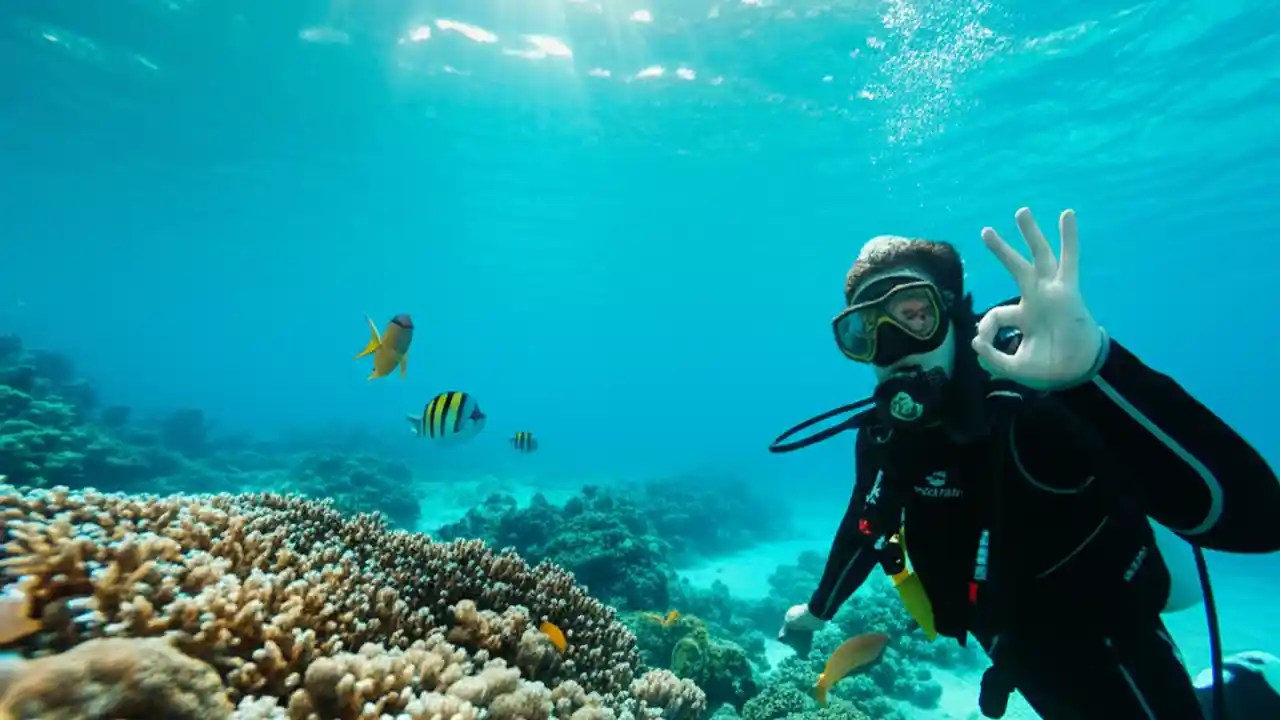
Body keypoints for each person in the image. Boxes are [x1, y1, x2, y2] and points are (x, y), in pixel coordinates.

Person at [772, 207, 1280, 719]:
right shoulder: (886, 437)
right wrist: (818, 610)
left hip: (1107, 635)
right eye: (866, 333)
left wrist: (1096, 371)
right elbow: (868, 521)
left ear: (950, 316)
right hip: (1014, 649)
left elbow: (1259, 521)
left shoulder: (1029, 400)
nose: (894, 348)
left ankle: (1242, 684)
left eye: (914, 316)